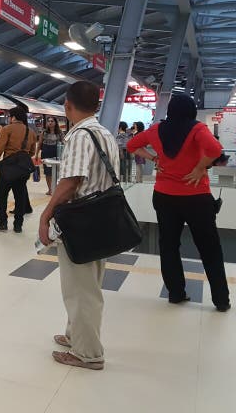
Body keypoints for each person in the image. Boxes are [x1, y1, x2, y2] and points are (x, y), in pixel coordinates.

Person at [38, 80, 119, 371]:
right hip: (101, 218)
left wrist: (46, 215)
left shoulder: (79, 135)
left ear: (68, 105)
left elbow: (71, 182)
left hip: (83, 222)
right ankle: (76, 335)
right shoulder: (104, 133)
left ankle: (88, 353)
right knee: (88, 283)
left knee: (80, 290)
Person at [127, 94, 230, 312]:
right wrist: (200, 168)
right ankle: (221, 300)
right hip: (196, 198)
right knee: (210, 248)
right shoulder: (197, 129)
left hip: (164, 196)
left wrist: (154, 158)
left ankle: (175, 293)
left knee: (169, 246)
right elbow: (215, 150)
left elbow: (131, 145)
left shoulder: (156, 129)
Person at [0, 106, 37, 233]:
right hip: (22, 170)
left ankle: (2, 223)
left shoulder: (7, 129)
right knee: (20, 197)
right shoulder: (31, 132)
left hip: (8, 168)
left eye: (10, 116)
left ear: (14, 117)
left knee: (2, 196)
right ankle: (18, 225)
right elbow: (32, 152)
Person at [38, 116, 63, 196]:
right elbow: (40, 143)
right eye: (49, 121)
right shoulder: (44, 132)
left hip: (56, 153)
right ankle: (50, 189)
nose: (50, 123)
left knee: (57, 172)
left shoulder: (59, 133)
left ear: (55, 123)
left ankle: (56, 188)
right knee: (48, 172)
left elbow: (63, 143)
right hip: (46, 153)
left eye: (52, 121)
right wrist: (36, 154)